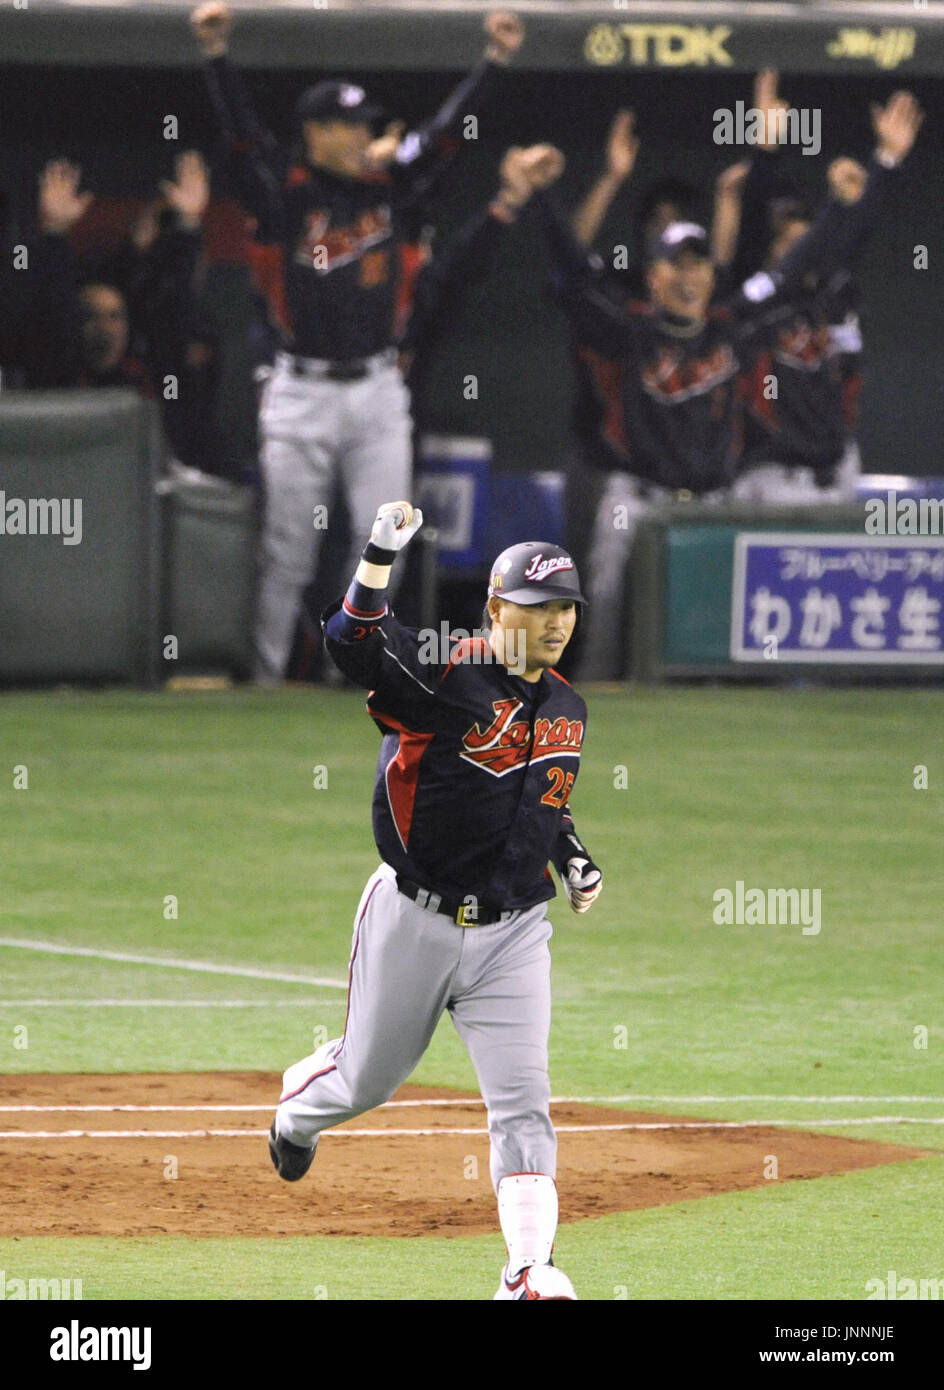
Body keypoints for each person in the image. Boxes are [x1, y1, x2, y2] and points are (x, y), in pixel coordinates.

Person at [267, 499, 604, 1301]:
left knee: (524, 1103)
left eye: (564, 608)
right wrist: (380, 553)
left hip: (516, 932)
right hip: (413, 918)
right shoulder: (443, 671)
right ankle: (295, 1114)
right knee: (365, 1083)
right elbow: (349, 644)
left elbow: (541, 801)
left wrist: (576, 857)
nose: (553, 623)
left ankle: (528, 1270)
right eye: (535, 607)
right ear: (495, 609)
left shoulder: (567, 708)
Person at [189, 2, 526, 685]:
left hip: (376, 391)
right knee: (288, 550)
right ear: (314, 131)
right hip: (301, 388)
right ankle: (264, 678)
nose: (357, 136)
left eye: (362, 125)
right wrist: (216, 56)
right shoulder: (286, 195)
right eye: (343, 125)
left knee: (384, 545)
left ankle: (356, 679)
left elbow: (444, 139)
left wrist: (492, 64)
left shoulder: (391, 191)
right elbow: (243, 140)